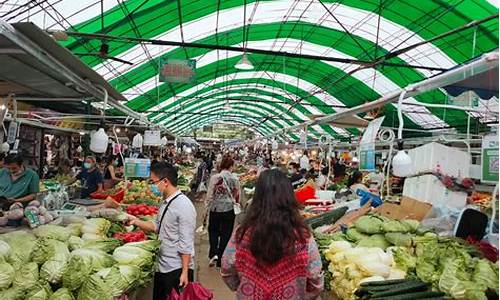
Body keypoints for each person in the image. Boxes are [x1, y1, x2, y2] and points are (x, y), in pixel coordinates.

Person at [221, 169, 324, 299]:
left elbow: (226, 268)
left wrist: (242, 287)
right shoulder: (303, 237)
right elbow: (315, 278)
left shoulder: (242, 233)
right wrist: (304, 295)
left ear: (258, 197)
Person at [126, 162, 196, 300]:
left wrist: (185, 272)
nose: (152, 186)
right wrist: (135, 220)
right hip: (162, 266)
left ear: (165, 181)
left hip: (175, 270)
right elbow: (156, 226)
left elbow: (186, 243)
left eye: (153, 182)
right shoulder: (166, 202)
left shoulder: (184, 206)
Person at [205, 155, 241, 268]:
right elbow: (237, 195)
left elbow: (209, 195)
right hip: (229, 210)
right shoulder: (235, 179)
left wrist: (206, 209)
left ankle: (213, 253)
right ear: (231, 166)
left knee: (213, 231)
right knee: (226, 233)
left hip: (215, 209)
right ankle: (221, 258)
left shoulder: (215, 178)